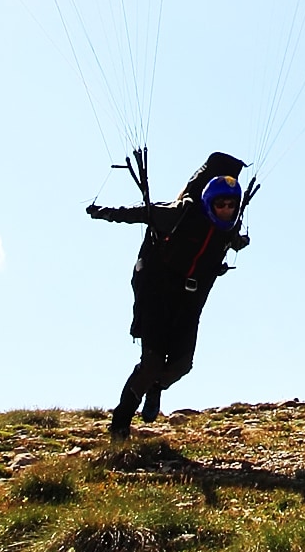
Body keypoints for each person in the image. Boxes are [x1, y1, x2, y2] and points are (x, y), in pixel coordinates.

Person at [86, 152, 253, 439]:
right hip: (158, 293)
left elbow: (230, 244)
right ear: (209, 202)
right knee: (151, 363)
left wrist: (240, 242)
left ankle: (155, 387)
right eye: (220, 204)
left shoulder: (227, 231)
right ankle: (120, 424)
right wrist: (105, 212)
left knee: (181, 365)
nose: (226, 210)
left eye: (231, 205)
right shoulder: (182, 213)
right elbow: (142, 213)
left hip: (189, 303)